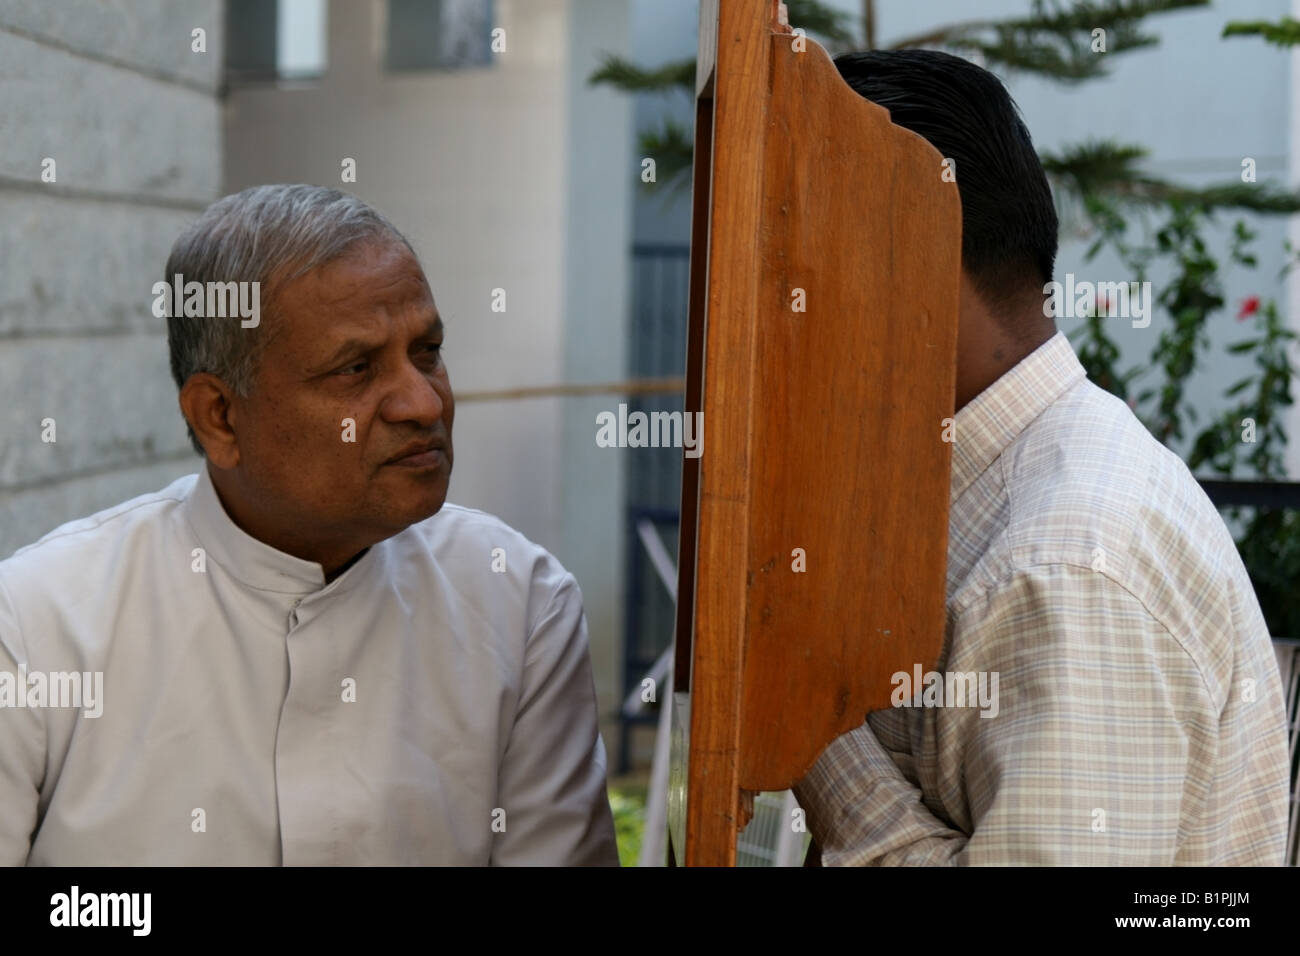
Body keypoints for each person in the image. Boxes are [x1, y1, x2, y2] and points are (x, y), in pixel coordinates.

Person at [0, 184, 619, 866]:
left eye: (427, 351)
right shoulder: (36, 628)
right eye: (356, 369)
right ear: (220, 417)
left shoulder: (519, 604)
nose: (422, 401)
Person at [793, 50, 1292, 865]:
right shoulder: (1031, 504)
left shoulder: (1061, 564)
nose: (779, 323)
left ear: (904, 264)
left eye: (793, 276)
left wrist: (817, 727)